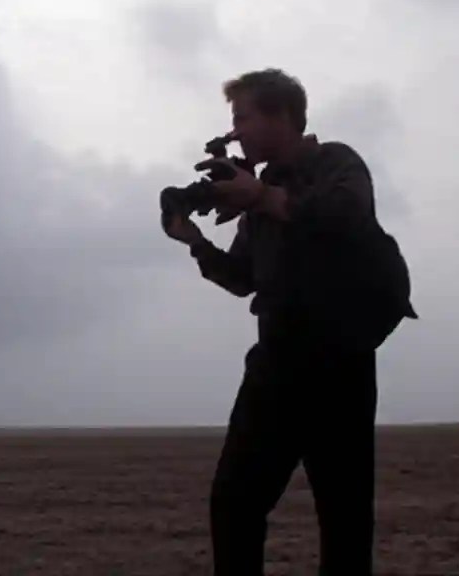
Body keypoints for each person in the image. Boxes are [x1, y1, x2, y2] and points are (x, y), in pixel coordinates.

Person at [165, 68, 412, 576]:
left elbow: (346, 213)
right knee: (234, 502)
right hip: (276, 361)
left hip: (339, 362)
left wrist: (258, 196)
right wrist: (195, 240)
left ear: (281, 116)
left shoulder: (335, 161)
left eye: (242, 118)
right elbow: (242, 278)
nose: (234, 131)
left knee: (343, 517)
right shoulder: (262, 189)